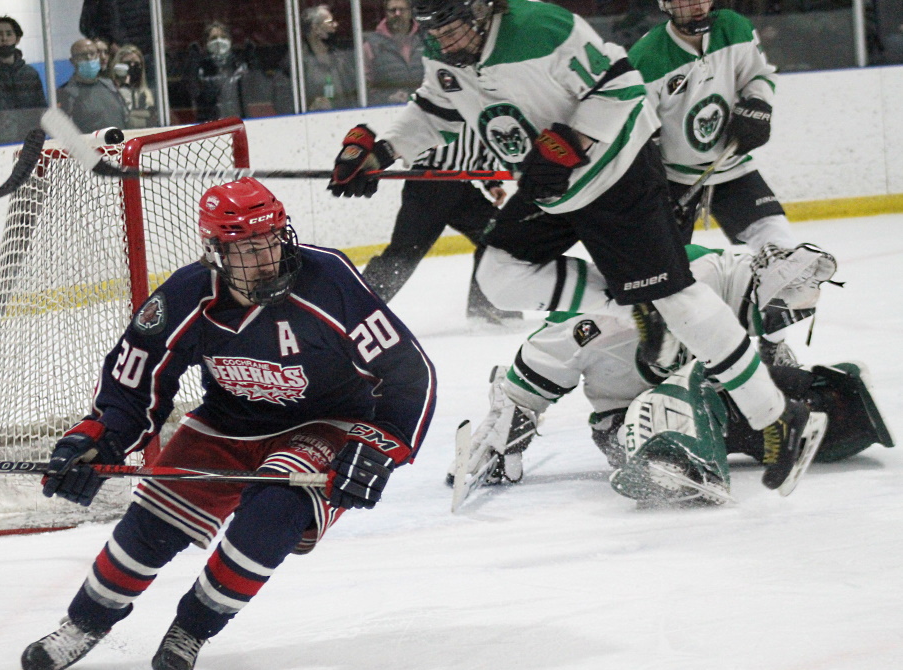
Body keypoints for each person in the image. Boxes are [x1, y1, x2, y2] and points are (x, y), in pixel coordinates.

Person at [328, 0, 816, 492]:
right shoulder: (443, 52)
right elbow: (436, 108)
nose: (447, 41)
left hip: (619, 174)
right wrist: (383, 151)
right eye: (437, 30)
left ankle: (776, 417)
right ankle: (634, 305)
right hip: (553, 187)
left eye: (456, 28)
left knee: (678, 297)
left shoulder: (543, 27)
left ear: (484, 9)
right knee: (499, 275)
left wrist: (570, 143)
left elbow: (622, 84)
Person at [18, 178, 436, 670]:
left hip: (325, 423)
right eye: (247, 248)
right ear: (215, 250)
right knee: (150, 527)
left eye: (272, 240)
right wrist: (100, 437)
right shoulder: (187, 293)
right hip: (227, 422)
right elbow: (138, 379)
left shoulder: (328, 279)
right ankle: (84, 623)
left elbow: (408, 373)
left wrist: (380, 446)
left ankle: (191, 630)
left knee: (272, 514)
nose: (266, 258)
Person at [456, 242, 891, 505]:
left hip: (703, 402)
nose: (777, 328)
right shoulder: (658, 296)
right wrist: (515, 408)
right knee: (684, 393)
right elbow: (555, 345)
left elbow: (753, 365)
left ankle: (833, 410)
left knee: (815, 398)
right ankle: (667, 460)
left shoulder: (739, 288)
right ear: (765, 295)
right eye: (780, 318)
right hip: (626, 423)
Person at [628, 0, 800, 253]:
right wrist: (649, 180)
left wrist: (758, 104)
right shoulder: (647, 56)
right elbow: (636, 128)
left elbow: (758, 75)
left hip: (731, 164)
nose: (697, 5)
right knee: (657, 264)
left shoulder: (733, 27)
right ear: (666, 4)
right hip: (671, 177)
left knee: (783, 249)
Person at [361, 124, 519, 324]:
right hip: (428, 187)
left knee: (501, 236)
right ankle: (357, 308)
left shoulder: (479, 107)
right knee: (403, 254)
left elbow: (483, 146)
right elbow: (409, 135)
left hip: (461, 187)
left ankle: (485, 305)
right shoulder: (439, 101)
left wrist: (491, 183)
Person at [0, 16, 47, 142]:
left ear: (17, 38)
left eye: (9, 34)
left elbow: (41, 110)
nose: (4, 39)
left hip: (28, 141)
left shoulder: (30, 74)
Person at [278, 5, 356, 112]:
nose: (336, 25)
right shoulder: (295, 63)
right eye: (330, 22)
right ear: (316, 28)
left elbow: (354, 94)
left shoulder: (341, 58)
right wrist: (310, 108)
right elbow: (282, 100)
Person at [185, 21, 262, 122]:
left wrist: (252, 62)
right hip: (209, 125)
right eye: (213, 38)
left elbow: (256, 90)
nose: (219, 41)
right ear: (206, 43)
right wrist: (192, 65)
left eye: (223, 37)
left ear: (230, 41)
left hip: (240, 122)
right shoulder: (201, 68)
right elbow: (192, 91)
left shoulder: (240, 66)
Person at [57, 38, 128, 133]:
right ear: (72, 61)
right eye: (82, 55)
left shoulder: (109, 85)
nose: (89, 58)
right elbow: (63, 130)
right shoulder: (67, 93)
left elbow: (124, 116)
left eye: (92, 53)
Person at [364, 0, 425, 105]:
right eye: (392, 10)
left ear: (410, 12)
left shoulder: (426, 39)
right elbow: (364, 88)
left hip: (425, 108)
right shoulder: (371, 45)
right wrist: (387, 98)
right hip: (388, 111)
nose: (397, 14)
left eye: (402, 10)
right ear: (385, 13)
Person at [108, 44, 156, 128]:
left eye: (137, 64)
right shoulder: (109, 91)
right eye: (128, 63)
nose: (132, 67)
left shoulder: (148, 94)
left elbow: (152, 118)